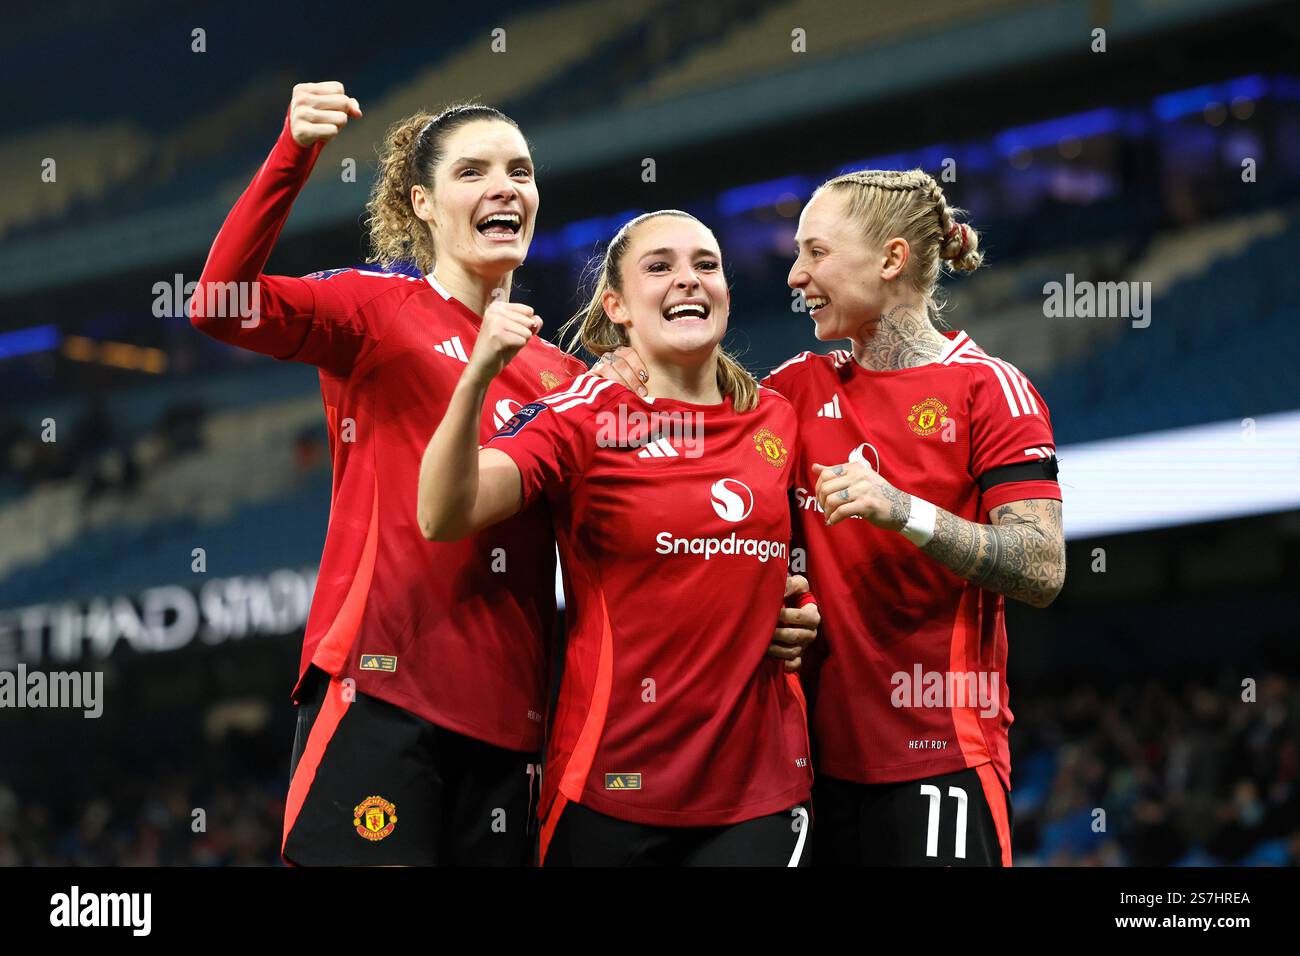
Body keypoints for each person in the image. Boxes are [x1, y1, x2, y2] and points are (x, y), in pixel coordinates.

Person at [590, 170, 1066, 866]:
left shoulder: (990, 390)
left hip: (937, 762)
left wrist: (903, 511)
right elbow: (689, 435)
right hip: (802, 776)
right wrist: (620, 370)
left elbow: (1041, 566)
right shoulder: (791, 391)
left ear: (891, 260)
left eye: (815, 253)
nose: (794, 274)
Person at [190, 81, 587, 865]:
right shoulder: (375, 309)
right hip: (382, 692)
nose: (505, 186)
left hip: (516, 726)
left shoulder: (560, 374)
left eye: (520, 170)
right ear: (423, 205)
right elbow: (220, 305)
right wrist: (292, 154)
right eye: (471, 172)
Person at [418, 210, 815, 866]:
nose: (688, 280)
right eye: (659, 267)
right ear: (618, 306)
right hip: (611, 788)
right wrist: (478, 374)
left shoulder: (777, 418)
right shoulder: (581, 418)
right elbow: (442, 513)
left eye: (706, 265)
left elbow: (809, 558)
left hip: (760, 795)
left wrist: (799, 606)